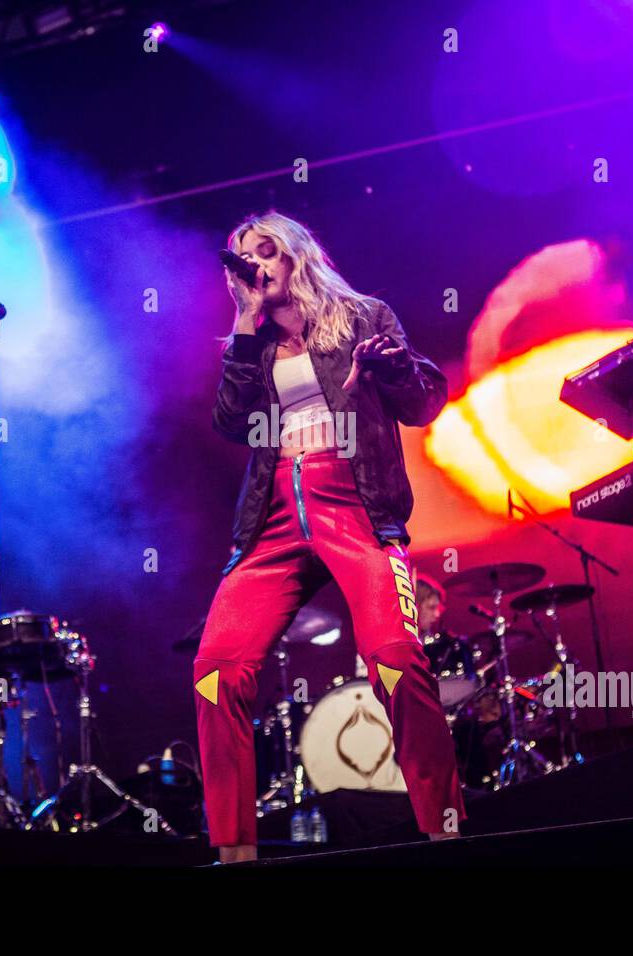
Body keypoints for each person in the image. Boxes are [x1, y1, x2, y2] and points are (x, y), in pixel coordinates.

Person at [194, 211, 465, 862]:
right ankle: (234, 851)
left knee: (396, 659)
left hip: (354, 501)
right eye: (243, 257)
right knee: (214, 674)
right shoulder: (253, 344)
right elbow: (231, 420)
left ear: (295, 257)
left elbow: (426, 399)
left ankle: (446, 831)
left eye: (266, 252)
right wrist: (241, 320)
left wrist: (392, 366)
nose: (255, 264)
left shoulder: (364, 317)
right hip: (272, 515)